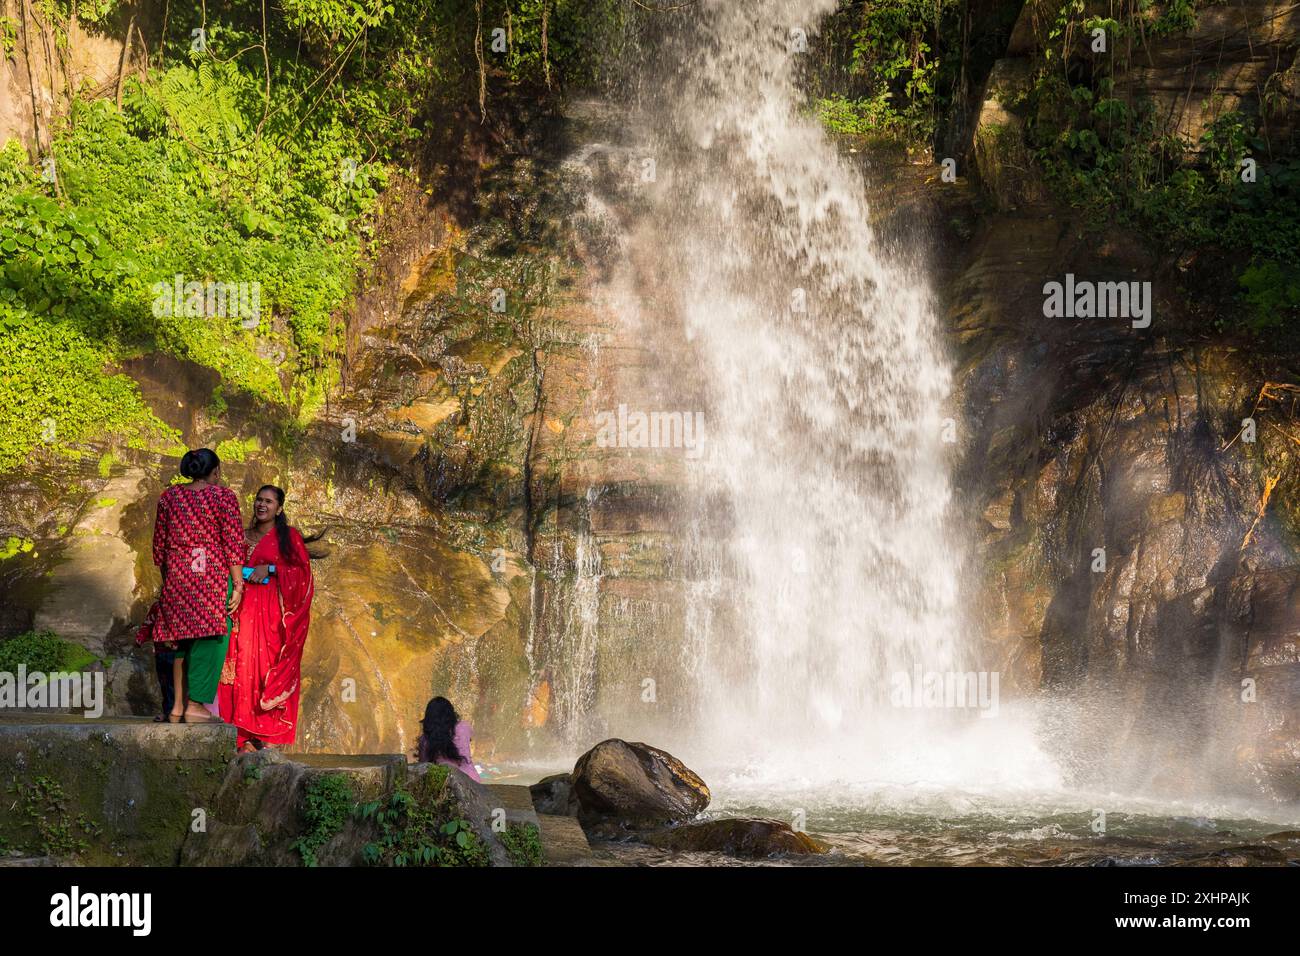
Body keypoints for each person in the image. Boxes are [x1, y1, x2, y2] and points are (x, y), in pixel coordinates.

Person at [137, 448, 245, 723]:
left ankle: (176, 708)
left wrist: (170, 579)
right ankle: (195, 705)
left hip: (178, 576)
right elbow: (232, 543)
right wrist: (238, 582)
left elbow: (158, 547)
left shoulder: (170, 497)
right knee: (213, 638)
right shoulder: (223, 496)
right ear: (216, 472)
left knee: (182, 641)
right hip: (211, 578)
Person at [218, 485, 316, 752]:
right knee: (238, 669)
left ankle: (265, 735)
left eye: (269, 502)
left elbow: (303, 575)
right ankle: (242, 735)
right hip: (238, 609)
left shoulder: (289, 537)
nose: (262, 505)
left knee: (262, 669)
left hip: (271, 618)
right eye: (259, 500)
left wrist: (271, 568)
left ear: (279, 508)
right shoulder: (241, 535)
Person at [415, 697, 481, 781]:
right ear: (451, 713)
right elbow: (468, 739)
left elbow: (423, 764)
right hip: (472, 780)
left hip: (443, 783)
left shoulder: (425, 739)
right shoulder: (464, 727)